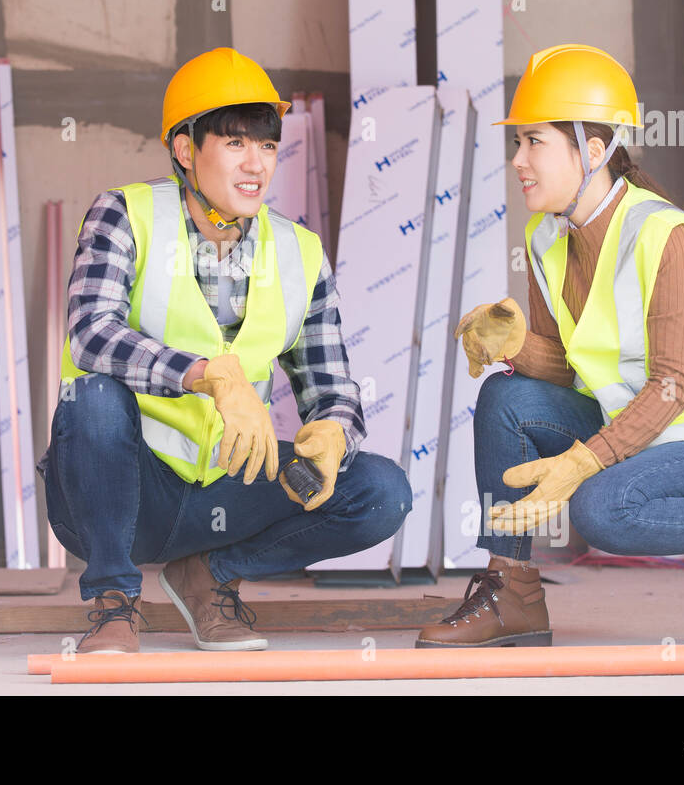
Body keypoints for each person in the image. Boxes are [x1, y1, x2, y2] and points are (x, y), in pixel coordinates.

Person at [416, 43, 684, 650]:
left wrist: (584, 460)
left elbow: (673, 386)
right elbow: (568, 370)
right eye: (517, 143)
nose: (519, 160)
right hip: (640, 427)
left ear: (594, 150)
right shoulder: (547, 238)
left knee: (602, 510)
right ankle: (513, 592)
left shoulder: (669, 237)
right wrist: (517, 346)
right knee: (504, 397)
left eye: (535, 142)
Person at [39, 46, 411, 654]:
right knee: (92, 395)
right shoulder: (125, 214)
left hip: (227, 487)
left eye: (266, 145)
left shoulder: (299, 252)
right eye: (235, 143)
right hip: (126, 487)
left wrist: (335, 432)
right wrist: (208, 375)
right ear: (186, 149)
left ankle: (209, 576)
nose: (256, 164)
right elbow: (91, 332)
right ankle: (113, 602)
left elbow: (333, 386)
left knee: (380, 490)